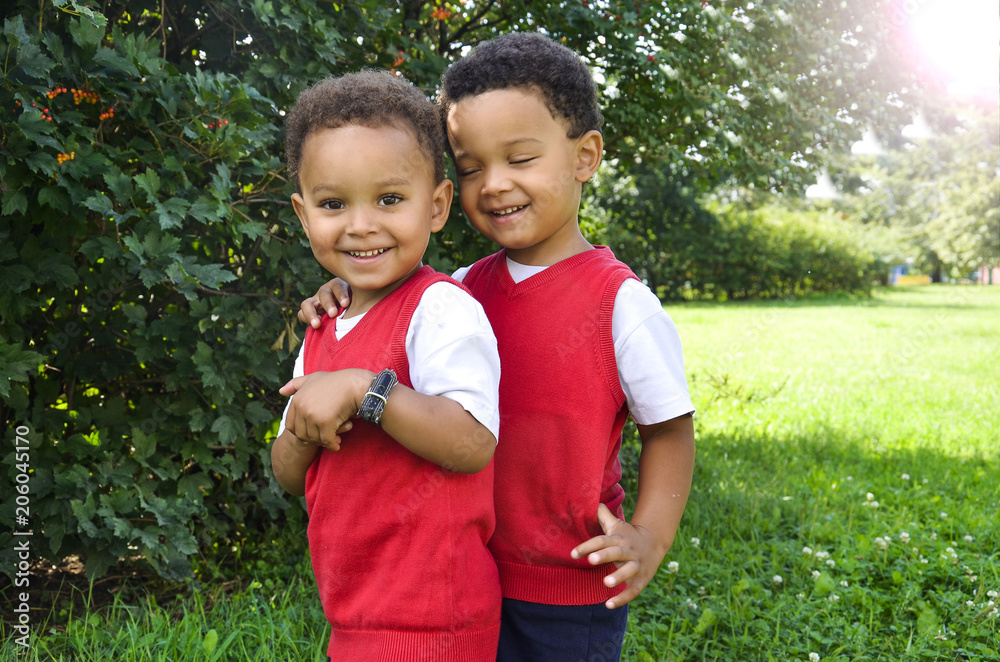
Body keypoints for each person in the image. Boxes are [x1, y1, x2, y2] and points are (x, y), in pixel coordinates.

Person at [297, 34, 695, 662]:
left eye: (520, 158)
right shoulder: (457, 291)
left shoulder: (620, 303)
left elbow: (669, 428)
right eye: (473, 166)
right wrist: (343, 290)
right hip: (465, 572)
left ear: (585, 156)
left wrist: (650, 535)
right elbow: (395, 311)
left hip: (568, 586)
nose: (494, 184)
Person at [271, 70, 502, 662]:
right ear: (303, 215)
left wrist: (363, 390)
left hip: (434, 616)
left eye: (390, 199)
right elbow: (293, 475)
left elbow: (472, 442)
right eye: (332, 203)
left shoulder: (442, 309)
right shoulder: (324, 325)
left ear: (438, 205)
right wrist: (304, 422)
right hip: (353, 610)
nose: (361, 224)